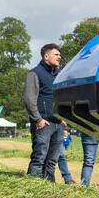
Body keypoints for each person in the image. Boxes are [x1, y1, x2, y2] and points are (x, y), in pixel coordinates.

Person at [24, 44, 66, 179]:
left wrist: (64, 119)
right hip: (43, 123)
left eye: (59, 55)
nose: (59, 57)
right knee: (39, 158)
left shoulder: (60, 74)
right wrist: (38, 119)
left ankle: (48, 189)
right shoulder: (34, 73)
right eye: (56, 54)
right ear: (46, 56)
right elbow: (29, 99)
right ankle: (34, 187)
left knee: (52, 160)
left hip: (58, 123)